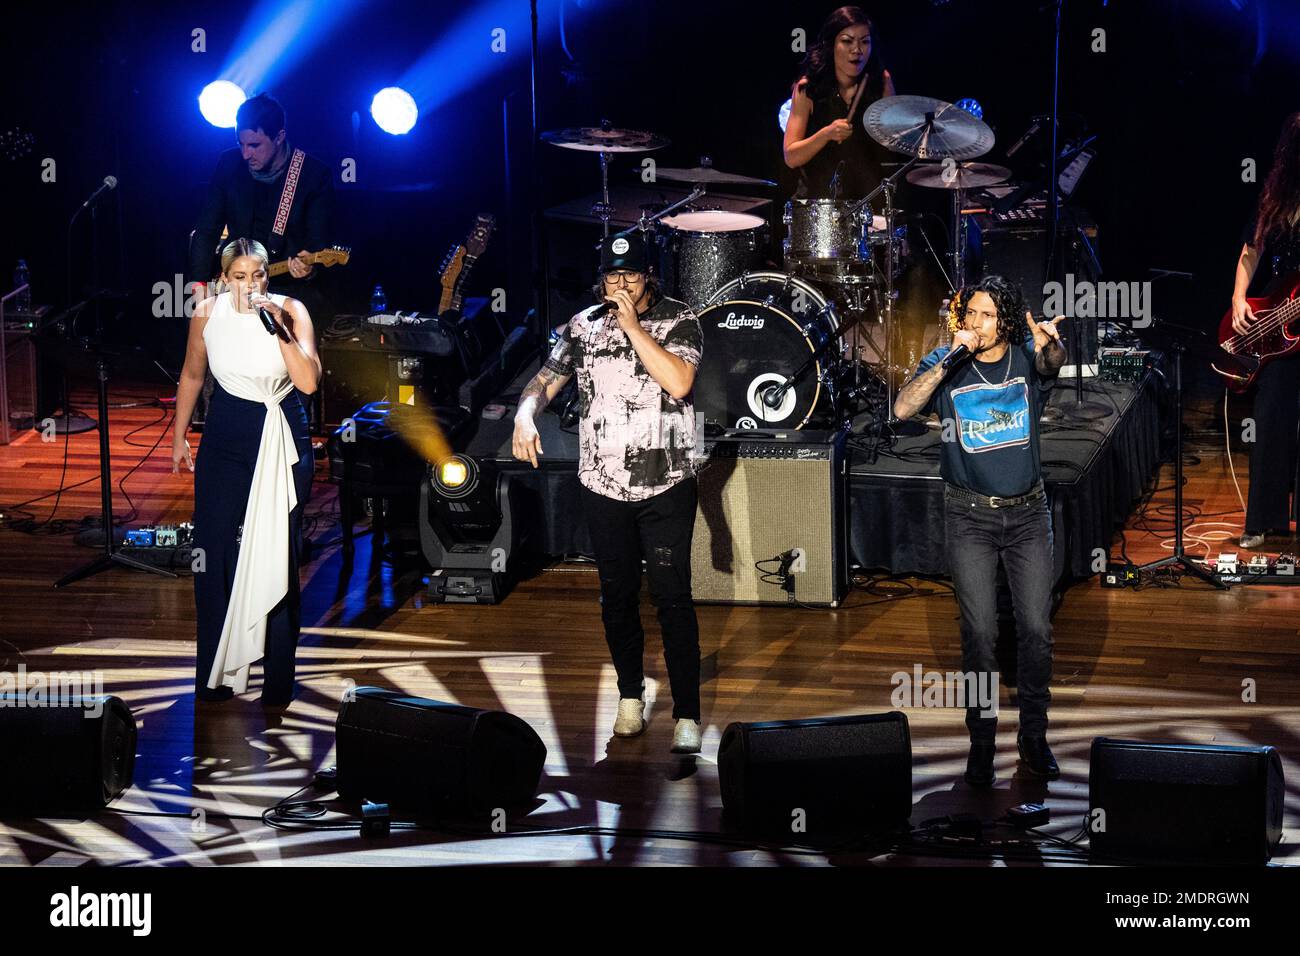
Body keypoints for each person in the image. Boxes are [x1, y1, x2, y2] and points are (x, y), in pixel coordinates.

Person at [511, 235, 704, 753]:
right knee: (617, 596)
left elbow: (680, 383)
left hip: (666, 480)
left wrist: (633, 327)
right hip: (603, 482)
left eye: (631, 275)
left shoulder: (680, 319)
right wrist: (524, 414)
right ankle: (629, 696)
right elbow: (545, 381)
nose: (621, 285)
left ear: (649, 276)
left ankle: (687, 713)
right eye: (613, 276)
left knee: (671, 596)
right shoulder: (583, 325)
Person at [894, 275, 1066, 786]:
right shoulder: (948, 362)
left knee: (1036, 630)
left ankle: (1033, 737)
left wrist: (1051, 346)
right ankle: (982, 743)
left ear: (1006, 320)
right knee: (981, 635)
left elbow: (1051, 363)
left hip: (1028, 514)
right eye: (970, 312)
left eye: (987, 315)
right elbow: (902, 408)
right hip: (969, 516)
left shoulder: (1024, 358)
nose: (976, 322)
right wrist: (948, 360)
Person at [172, 238, 322, 704]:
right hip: (226, 433)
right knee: (214, 549)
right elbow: (192, 374)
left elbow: (308, 383)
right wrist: (179, 435)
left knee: (279, 550)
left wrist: (281, 331)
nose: (249, 285)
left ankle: (278, 680)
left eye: (257, 275)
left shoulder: (291, 310)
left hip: (281, 429)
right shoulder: (206, 313)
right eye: (239, 277)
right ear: (223, 279)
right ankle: (214, 674)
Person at [186, 93, 334, 321]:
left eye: (254, 145)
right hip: (233, 284)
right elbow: (206, 230)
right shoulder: (229, 164)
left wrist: (308, 269)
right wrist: (199, 285)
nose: (246, 154)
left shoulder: (313, 175)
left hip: (286, 289)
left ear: (279, 137)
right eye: (241, 144)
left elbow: (317, 245)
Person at [1230, 111, 1300, 550]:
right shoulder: (1275, 196)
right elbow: (1250, 250)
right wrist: (1239, 298)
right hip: (1280, 319)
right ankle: (1261, 520)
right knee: (1271, 416)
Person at [783, 6, 897, 200]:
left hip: (867, 203)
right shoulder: (808, 88)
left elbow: (895, 144)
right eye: (847, 41)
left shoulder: (881, 82)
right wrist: (826, 134)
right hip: (816, 204)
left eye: (865, 42)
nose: (857, 50)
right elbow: (791, 157)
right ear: (831, 45)